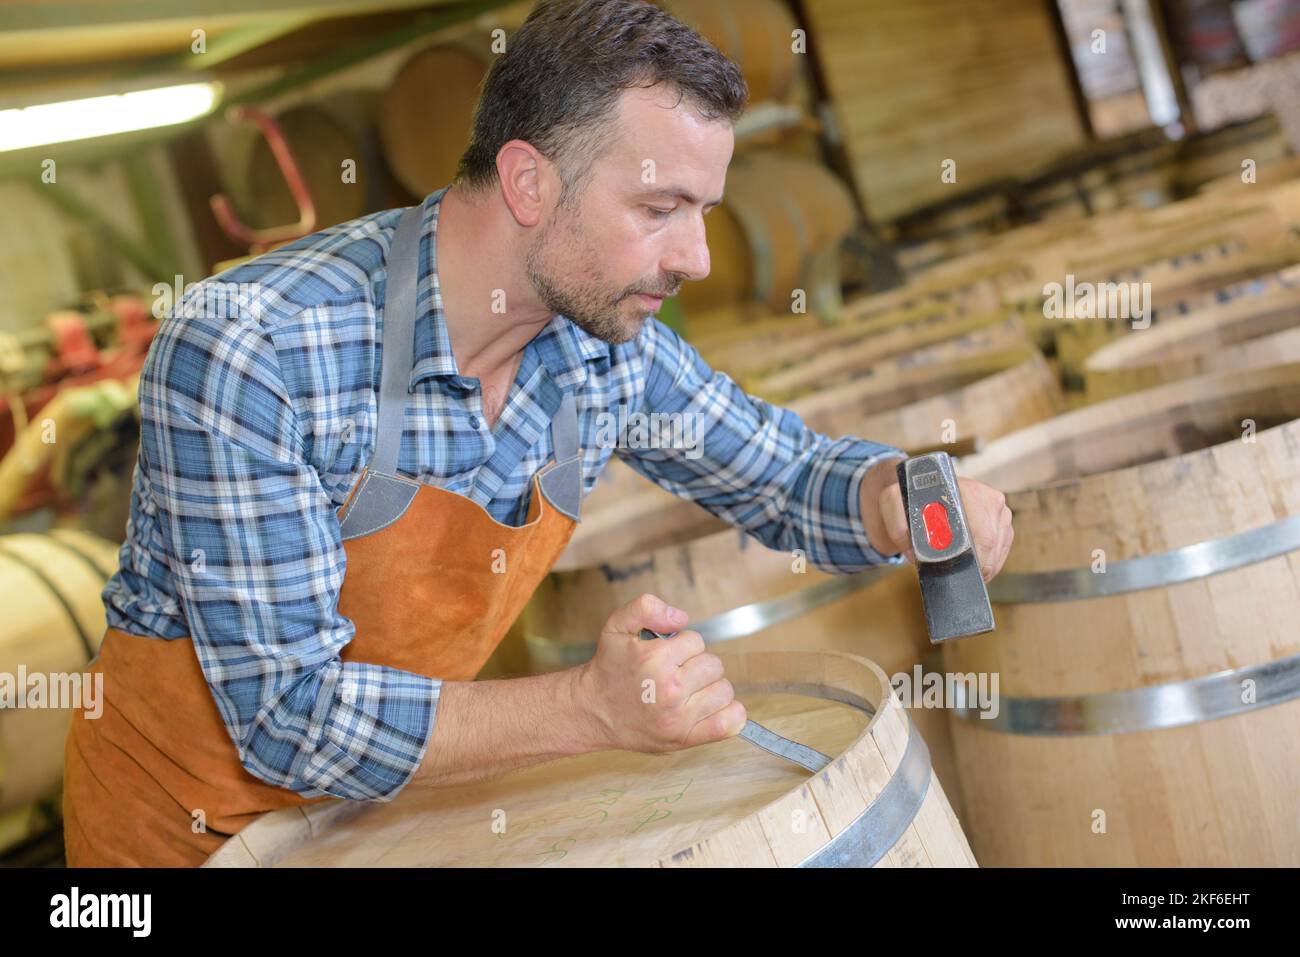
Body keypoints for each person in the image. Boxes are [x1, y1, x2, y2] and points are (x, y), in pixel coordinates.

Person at [63, 0, 1013, 866]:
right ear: (528, 182)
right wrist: (589, 706)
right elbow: (287, 713)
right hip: (181, 837)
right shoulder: (252, 345)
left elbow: (789, 475)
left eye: (706, 212)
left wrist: (896, 497)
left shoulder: (604, 348)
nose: (696, 257)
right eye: (658, 209)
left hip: (387, 825)